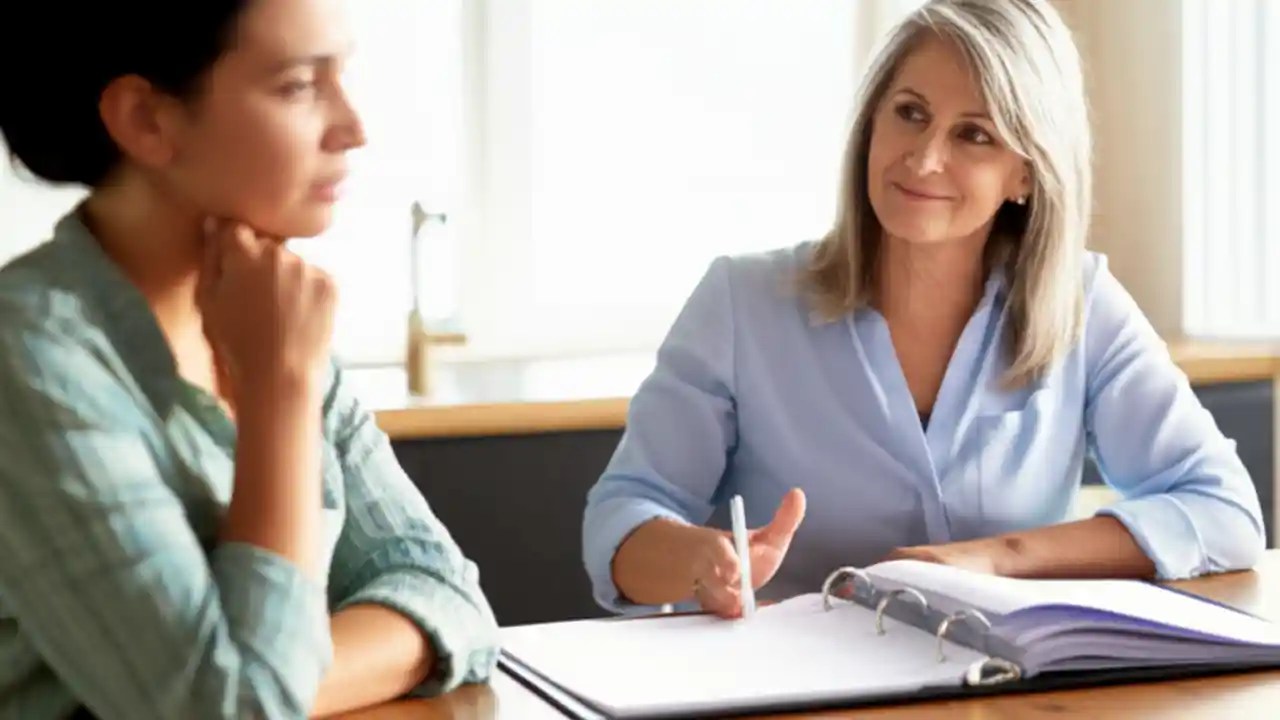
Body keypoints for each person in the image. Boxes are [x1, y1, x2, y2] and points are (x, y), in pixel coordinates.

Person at [582, 0, 1265, 620]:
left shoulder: (1083, 304)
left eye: (974, 135)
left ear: (1025, 173)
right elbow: (621, 517)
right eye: (910, 112)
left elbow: (1224, 511)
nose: (925, 158)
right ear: (872, 121)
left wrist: (994, 558)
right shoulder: (741, 301)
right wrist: (703, 564)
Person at [0, 1, 498, 718]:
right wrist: (279, 393)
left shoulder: (267, 315)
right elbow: (230, 710)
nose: (354, 128)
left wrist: (268, 684)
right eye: (299, 85)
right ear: (147, 119)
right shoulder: (30, 358)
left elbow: (449, 594)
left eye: (343, 76)